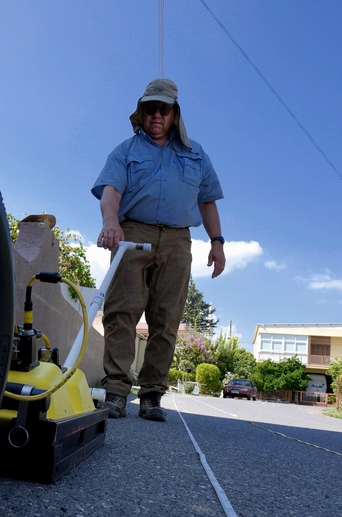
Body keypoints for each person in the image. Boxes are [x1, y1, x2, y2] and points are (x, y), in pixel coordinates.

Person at [92, 78, 226, 422]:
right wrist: (111, 222)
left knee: (167, 318)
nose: (156, 115)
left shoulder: (196, 154)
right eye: (149, 108)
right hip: (132, 232)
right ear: (141, 111)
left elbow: (207, 201)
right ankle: (116, 392)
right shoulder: (126, 151)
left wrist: (217, 242)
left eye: (163, 109)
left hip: (179, 240)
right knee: (121, 312)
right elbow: (111, 192)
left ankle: (152, 395)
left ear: (174, 113)